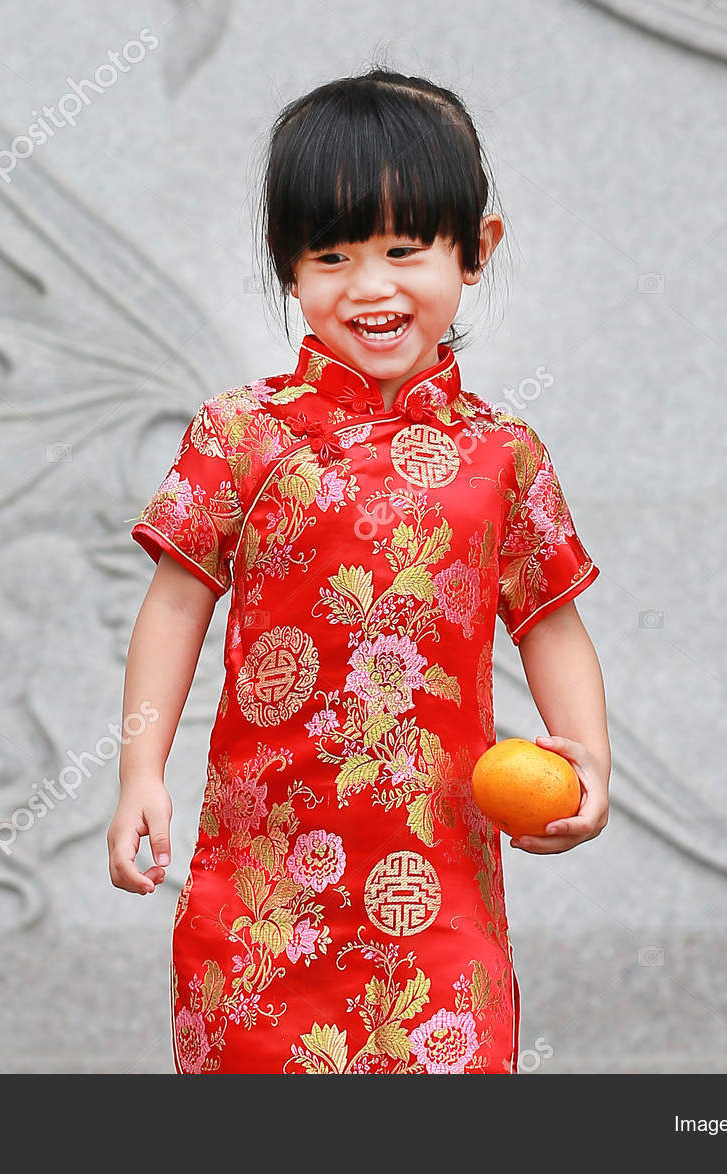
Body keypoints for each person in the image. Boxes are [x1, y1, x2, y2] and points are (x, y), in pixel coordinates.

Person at [108, 67, 611, 1074]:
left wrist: (588, 761)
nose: (370, 286)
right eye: (332, 255)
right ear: (287, 268)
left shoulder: (503, 454)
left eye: (404, 249)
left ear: (476, 250)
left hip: (441, 890)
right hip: (260, 895)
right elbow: (173, 608)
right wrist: (139, 772)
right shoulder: (240, 435)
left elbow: (550, 619)